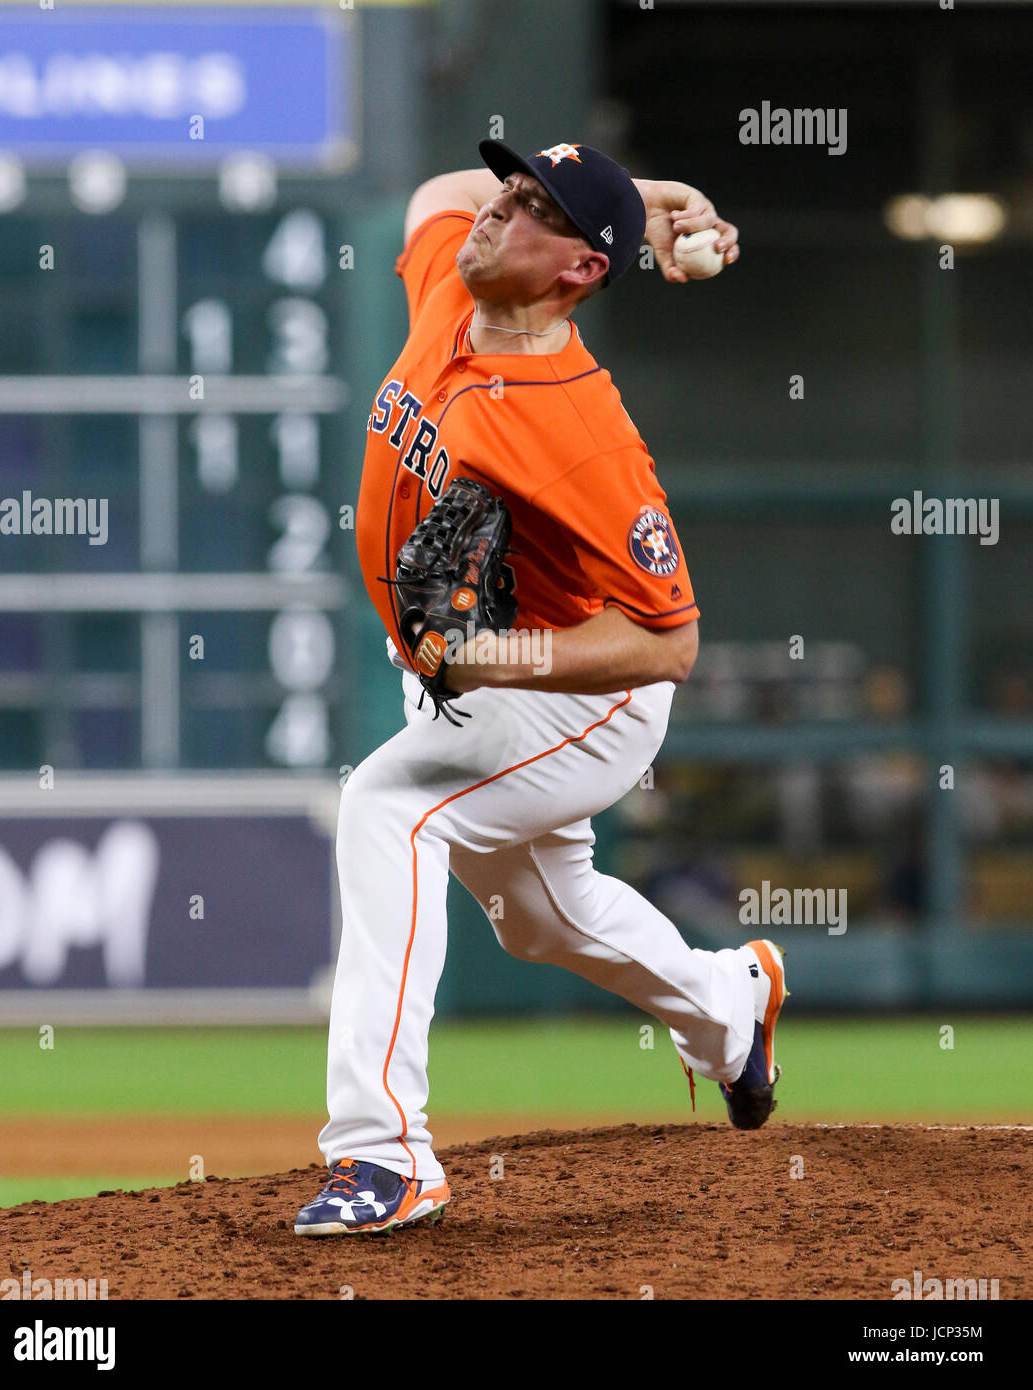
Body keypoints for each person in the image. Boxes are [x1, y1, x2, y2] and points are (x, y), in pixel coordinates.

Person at [294, 139, 787, 1238]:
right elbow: (434, 189)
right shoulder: (446, 289)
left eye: (532, 209)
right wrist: (645, 191)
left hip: (582, 698)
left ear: (575, 273)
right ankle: (729, 1004)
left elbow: (668, 639)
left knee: (391, 806)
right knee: (541, 918)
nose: (494, 212)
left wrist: (498, 663)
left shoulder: (576, 429)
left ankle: (383, 1153)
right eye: (510, 188)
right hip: (475, 688)